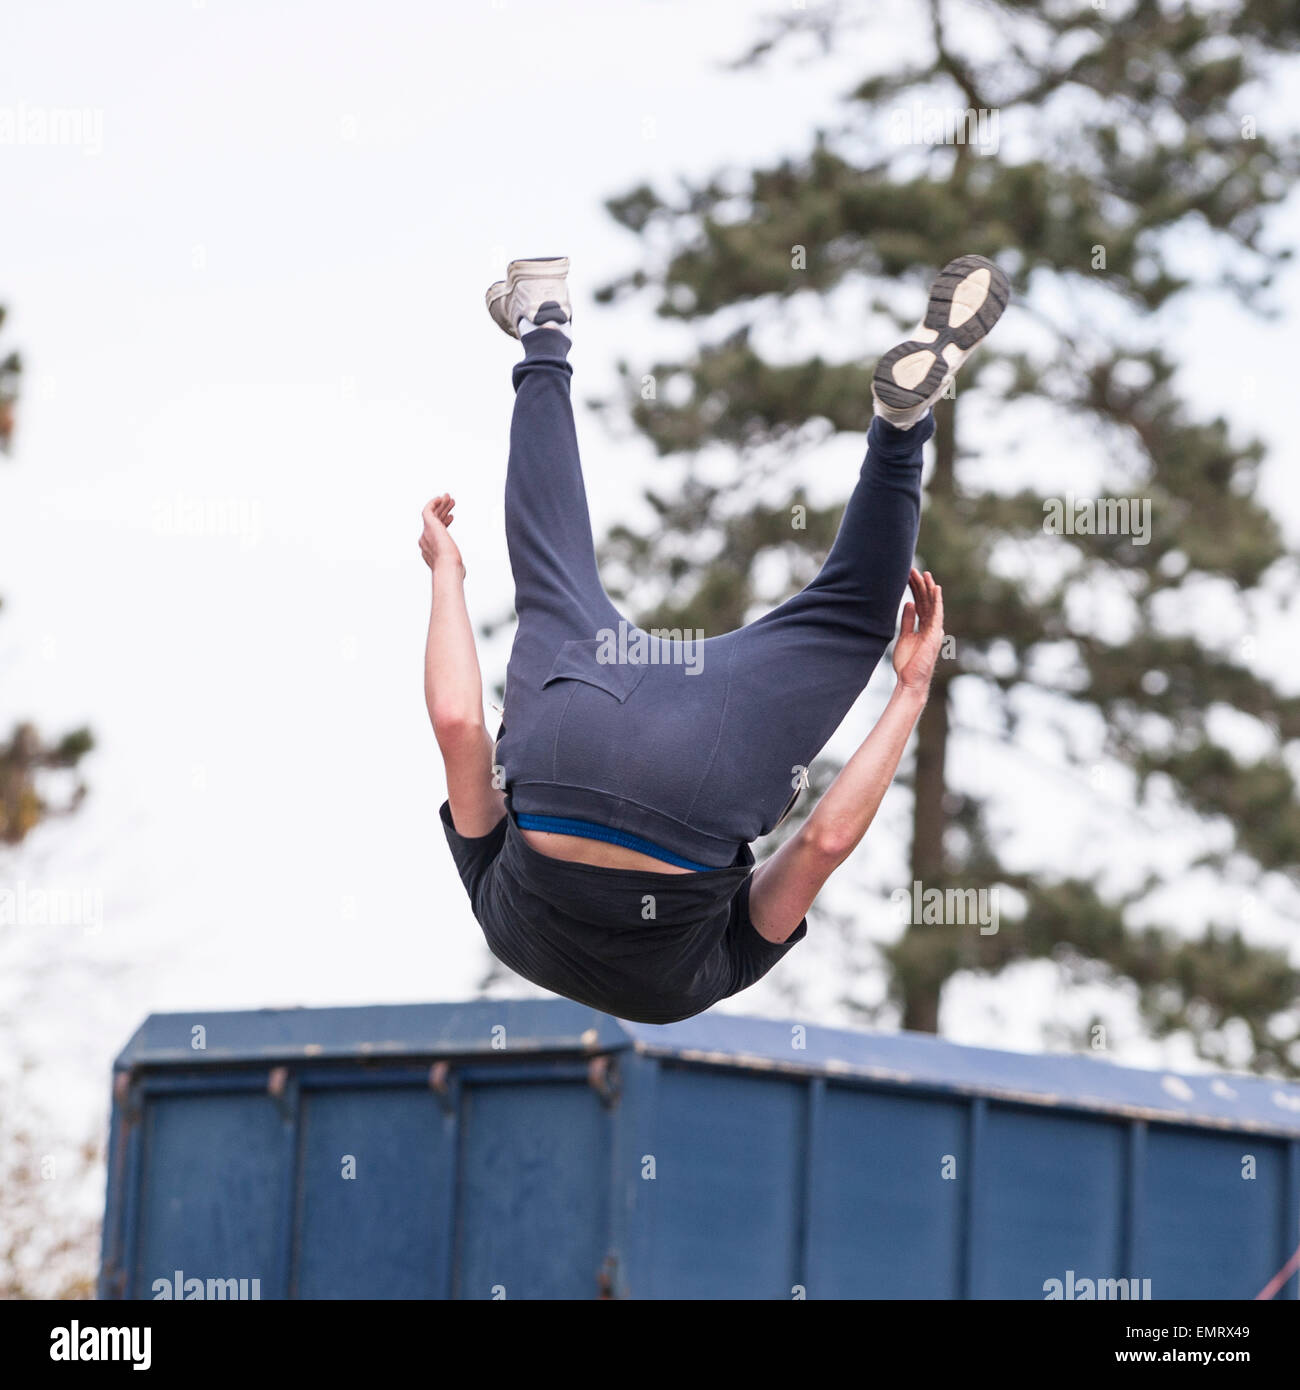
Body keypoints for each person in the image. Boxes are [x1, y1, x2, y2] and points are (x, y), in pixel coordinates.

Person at [422, 254, 1009, 1024]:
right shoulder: (504, 931)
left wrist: (912, 689)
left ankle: (899, 430)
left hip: (712, 760)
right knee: (549, 567)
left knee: (851, 617)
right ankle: (543, 323)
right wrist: (448, 575)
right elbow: (460, 724)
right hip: (580, 717)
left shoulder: (698, 987)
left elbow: (823, 843)